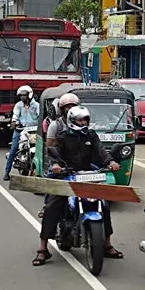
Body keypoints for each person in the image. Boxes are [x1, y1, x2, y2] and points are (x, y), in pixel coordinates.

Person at [34, 105, 122, 266]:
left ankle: (107, 244)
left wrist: (110, 161)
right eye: (79, 120)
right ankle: (43, 249)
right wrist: (55, 164)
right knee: (52, 205)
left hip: (88, 174)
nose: (83, 123)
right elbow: (55, 152)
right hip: (66, 174)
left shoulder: (91, 135)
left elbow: (100, 150)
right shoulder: (63, 136)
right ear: (71, 121)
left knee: (104, 204)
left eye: (85, 120)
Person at [3, 85, 39, 181]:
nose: (23, 97)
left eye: (24, 95)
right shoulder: (18, 105)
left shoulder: (36, 106)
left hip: (33, 131)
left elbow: (40, 116)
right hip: (20, 130)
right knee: (13, 150)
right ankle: (6, 172)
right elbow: (15, 115)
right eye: (21, 95)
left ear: (30, 95)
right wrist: (14, 122)